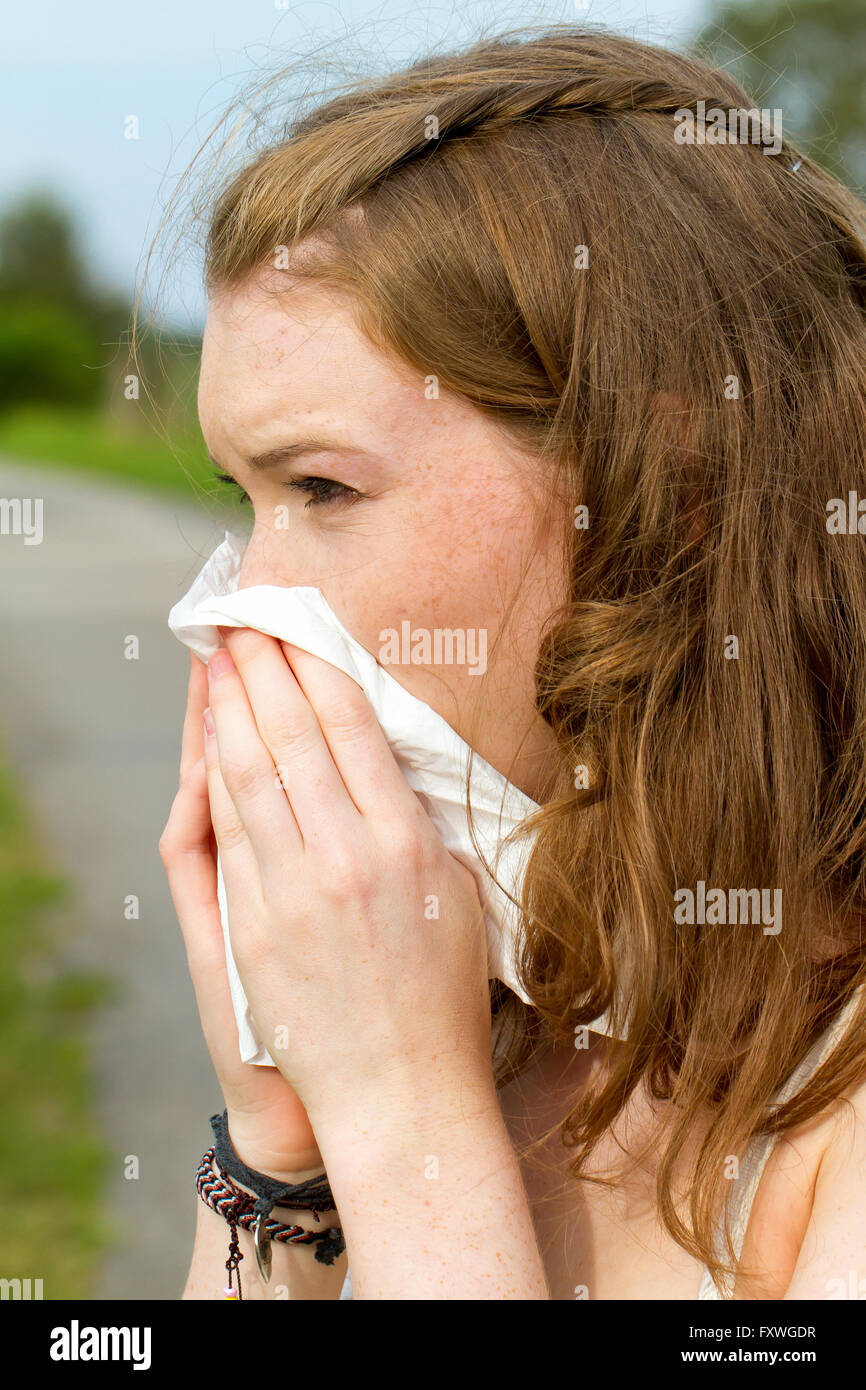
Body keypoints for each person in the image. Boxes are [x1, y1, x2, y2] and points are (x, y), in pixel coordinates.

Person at [158, 25, 866, 1299]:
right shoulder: (489, 987)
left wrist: (403, 1114)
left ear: (667, 490)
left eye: (320, 485)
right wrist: (282, 1145)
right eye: (241, 498)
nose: (244, 601)